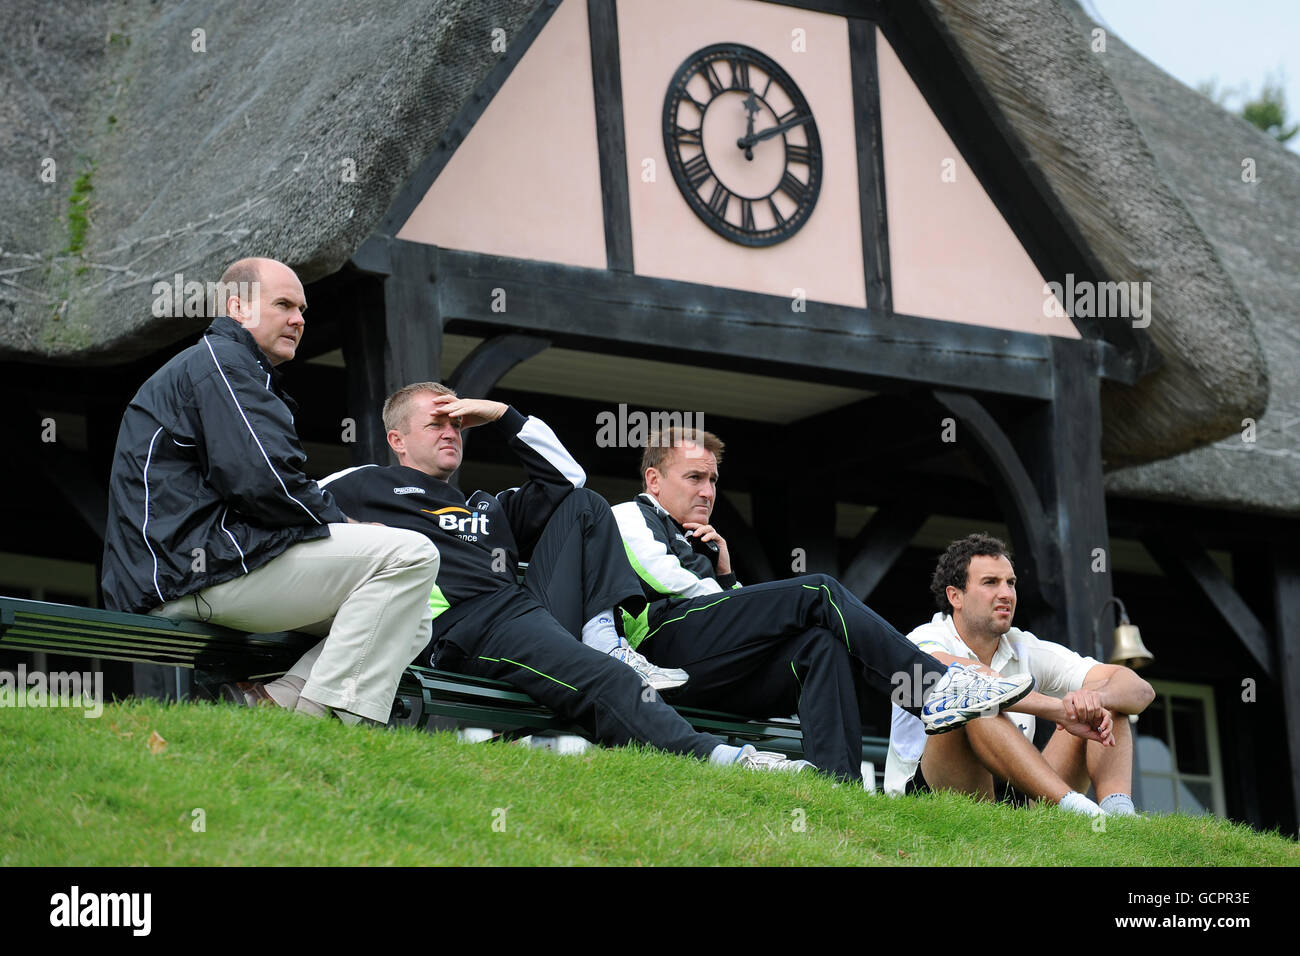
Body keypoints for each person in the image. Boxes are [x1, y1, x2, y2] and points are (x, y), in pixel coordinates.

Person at [318, 382, 807, 771]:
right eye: (435, 424)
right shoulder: (364, 484)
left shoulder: (488, 506)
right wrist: (350, 527)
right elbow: (287, 499)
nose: (451, 432)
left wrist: (500, 415)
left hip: (521, 614)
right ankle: (724, 759)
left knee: (586, 504)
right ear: (397, 439)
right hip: (461, 628)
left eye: (457, 423)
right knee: (607, 680)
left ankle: (604, 638)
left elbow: (568, 479)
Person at [101, 258, 440, 725]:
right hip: (190, 573)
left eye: (302, 309)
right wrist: (343, 523)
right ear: (237, 307)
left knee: (412, 614)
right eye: (283, 304)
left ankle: (282, 703)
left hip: (205, 566)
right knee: (412, 554)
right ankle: (327, 718)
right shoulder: (223, 364)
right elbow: (266, 483)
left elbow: (262, 483)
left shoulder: (226, 365)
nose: (299, 319)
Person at [611, 428, 1035, 784]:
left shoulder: (699, 539)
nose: (708, 491)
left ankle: (839, 787)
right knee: (820, 590)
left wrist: (724, 573)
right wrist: (732, 594)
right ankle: (936, 687)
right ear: (653, 480)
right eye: (694, 478)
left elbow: (729, 619)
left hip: (708, 668)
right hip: (657, 652)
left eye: (714, 480)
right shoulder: (628, 515)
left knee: (819, 644)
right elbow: (660, 577)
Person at [883, 533, 1155, 817]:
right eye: (990, 582)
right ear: (955, 596)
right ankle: (1082, 811)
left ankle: (1120, 815)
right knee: (973, 701)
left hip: (1019, 802)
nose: (1006, 594)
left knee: (1109, 698)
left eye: (1010, 583)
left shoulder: (1023, 645)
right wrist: (1059, 709)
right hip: (929, 797)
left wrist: (1094, 699)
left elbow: (1139, 689)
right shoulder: (925, 638)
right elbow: (964, 678)